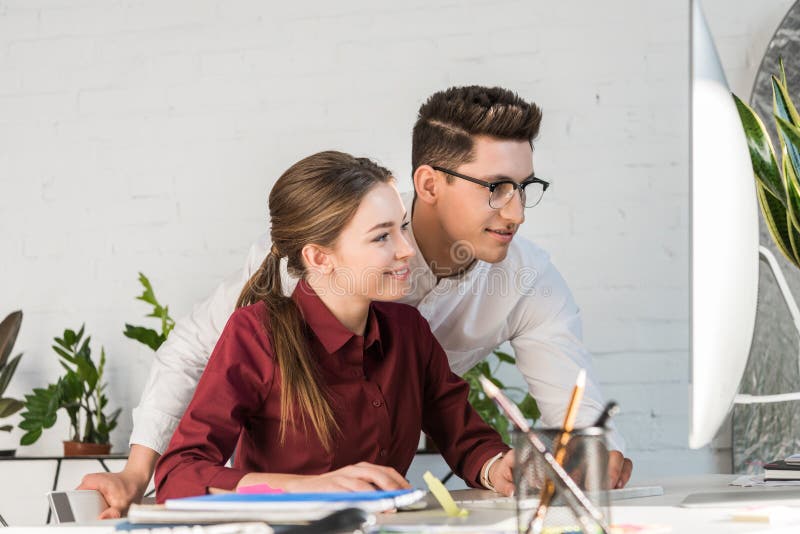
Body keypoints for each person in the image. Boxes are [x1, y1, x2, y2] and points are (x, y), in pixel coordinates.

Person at [81, 86, 633, 517]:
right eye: (495, 188)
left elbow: (468, 431)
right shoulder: (264, 325)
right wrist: (136, 473)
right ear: (319, 257)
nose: (516, 212)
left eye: (523, 188)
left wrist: (505, 467)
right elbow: (183, 453)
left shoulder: (414, 326)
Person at [155, 151, 513, 501]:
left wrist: (499, 468)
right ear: (319, 257)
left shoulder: (408, 331)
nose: (407, 249)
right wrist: (305, 487)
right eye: (381, 236)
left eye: (401, 227)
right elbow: (180, 473)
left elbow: (466, 439)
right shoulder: (256, 334)